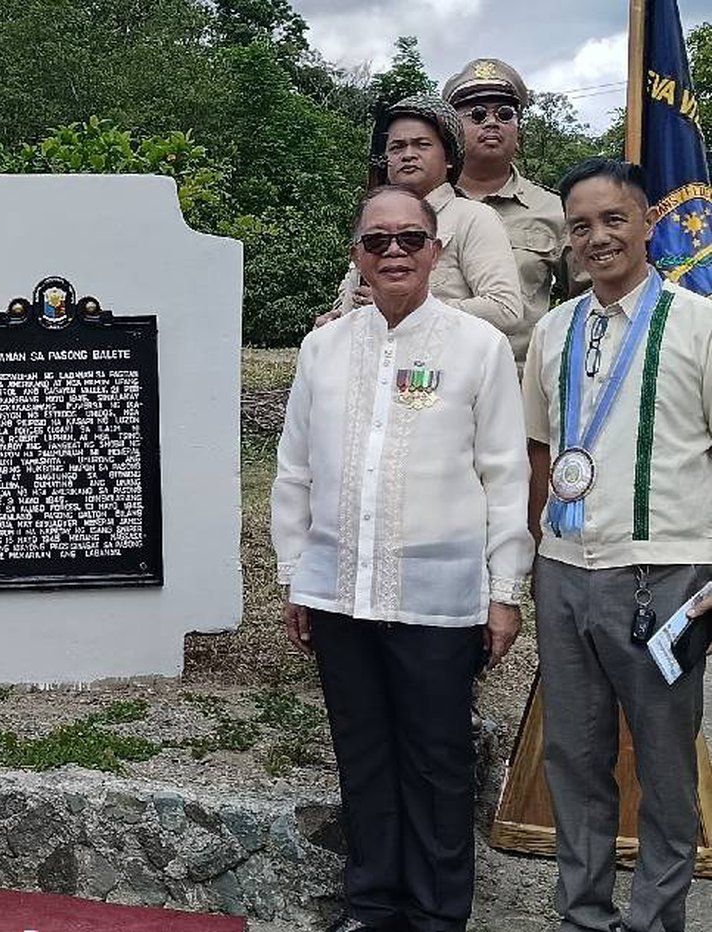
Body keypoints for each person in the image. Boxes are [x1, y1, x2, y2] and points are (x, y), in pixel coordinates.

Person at [274, 185, 531, 932]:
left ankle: (436, 914)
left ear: (435, 252)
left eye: (410, 239)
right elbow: (294, 469)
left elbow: (505, 474)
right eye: (377, 240)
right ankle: (372, 904)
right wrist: (296, 574)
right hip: (338, 592)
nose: (394, 253)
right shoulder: (323, 347)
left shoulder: (475, 346)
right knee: (362, 755)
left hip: (438, 597)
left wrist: (505, 590)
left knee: (437, 762)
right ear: (356, 252)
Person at [523, 158, 712, 932]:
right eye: (580, 225)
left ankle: (656, 920)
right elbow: (540, 449)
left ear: (646, 224)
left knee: (666, 768)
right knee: (575, 757)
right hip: (566, 571)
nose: (597, 237)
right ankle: (583, 916)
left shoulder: (699, 323)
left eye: (613, 220)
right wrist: (531, 553)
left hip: (665, 575)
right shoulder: (554, 327)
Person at [323, 95, 522, 339]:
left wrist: (409, 309)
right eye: (397, 147)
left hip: (440, 368)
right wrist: (333, 323)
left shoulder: (471, 217)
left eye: (421, 144)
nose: (408, 155)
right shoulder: (372, 218)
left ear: (448, 158)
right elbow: (350, 301)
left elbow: (506, 310)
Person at [443, 59, 586, 368]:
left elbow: (590, 298)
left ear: (518, 131)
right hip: (428, 381)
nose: (492, 122)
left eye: (505, 114)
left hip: (519, 384)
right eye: (478, 114)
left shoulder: (554, 210)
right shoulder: (421, 207)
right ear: (452, 129)